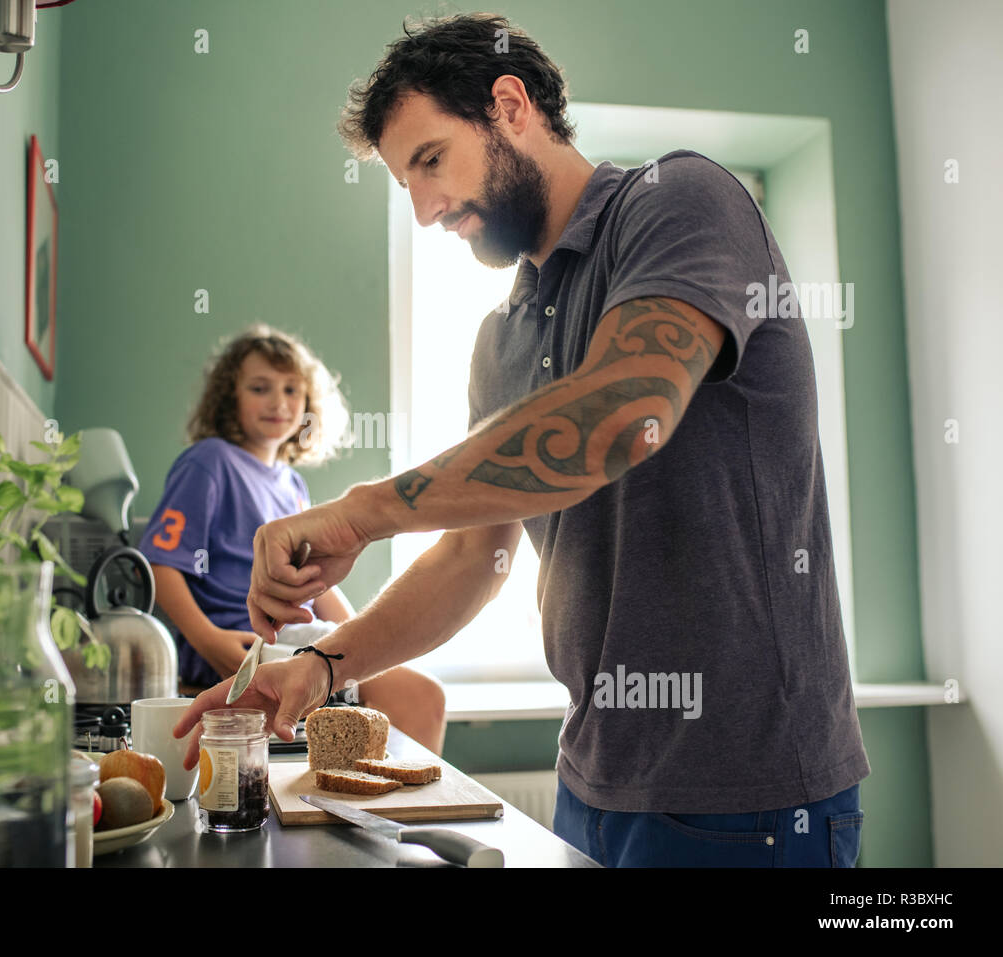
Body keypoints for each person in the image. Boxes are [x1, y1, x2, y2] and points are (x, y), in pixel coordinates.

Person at [174, 14, 870, 867]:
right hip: (590, 779)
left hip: (751, 796)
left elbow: (622, 413)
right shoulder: (500, 338)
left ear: (510, 105)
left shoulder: (679, 202)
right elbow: (471, 561)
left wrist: (362, 513)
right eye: (407, 185)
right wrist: (320, 666)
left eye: (431, 161)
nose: (428, 210)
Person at [138, 325, 447, 754]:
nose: (279, 402)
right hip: (239, 641)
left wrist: (356, 636)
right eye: (260, 388)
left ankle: (377, 806)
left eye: (291, 390)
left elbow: (317, 584)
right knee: (420, 698)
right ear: (230, 396)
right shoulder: (209, 462)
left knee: (408, 692)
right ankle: (398, 815)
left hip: (293, 639)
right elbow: (161, 561)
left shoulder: (292, 486)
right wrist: (207, 639)